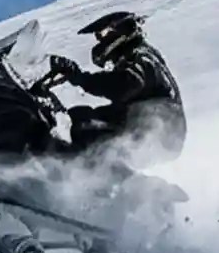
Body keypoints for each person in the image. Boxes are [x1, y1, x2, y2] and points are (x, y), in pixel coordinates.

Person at [46, 11, 186, 168]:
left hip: (156, 128)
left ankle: (87, 177)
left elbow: (128, 83)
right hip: (154, 126)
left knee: (84, 122)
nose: (99, 40)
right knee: (86, 116)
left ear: (120, 31)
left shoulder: (141, 56)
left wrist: (81, 78)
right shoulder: (144, 56)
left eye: (103, 34)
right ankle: (94, 175)